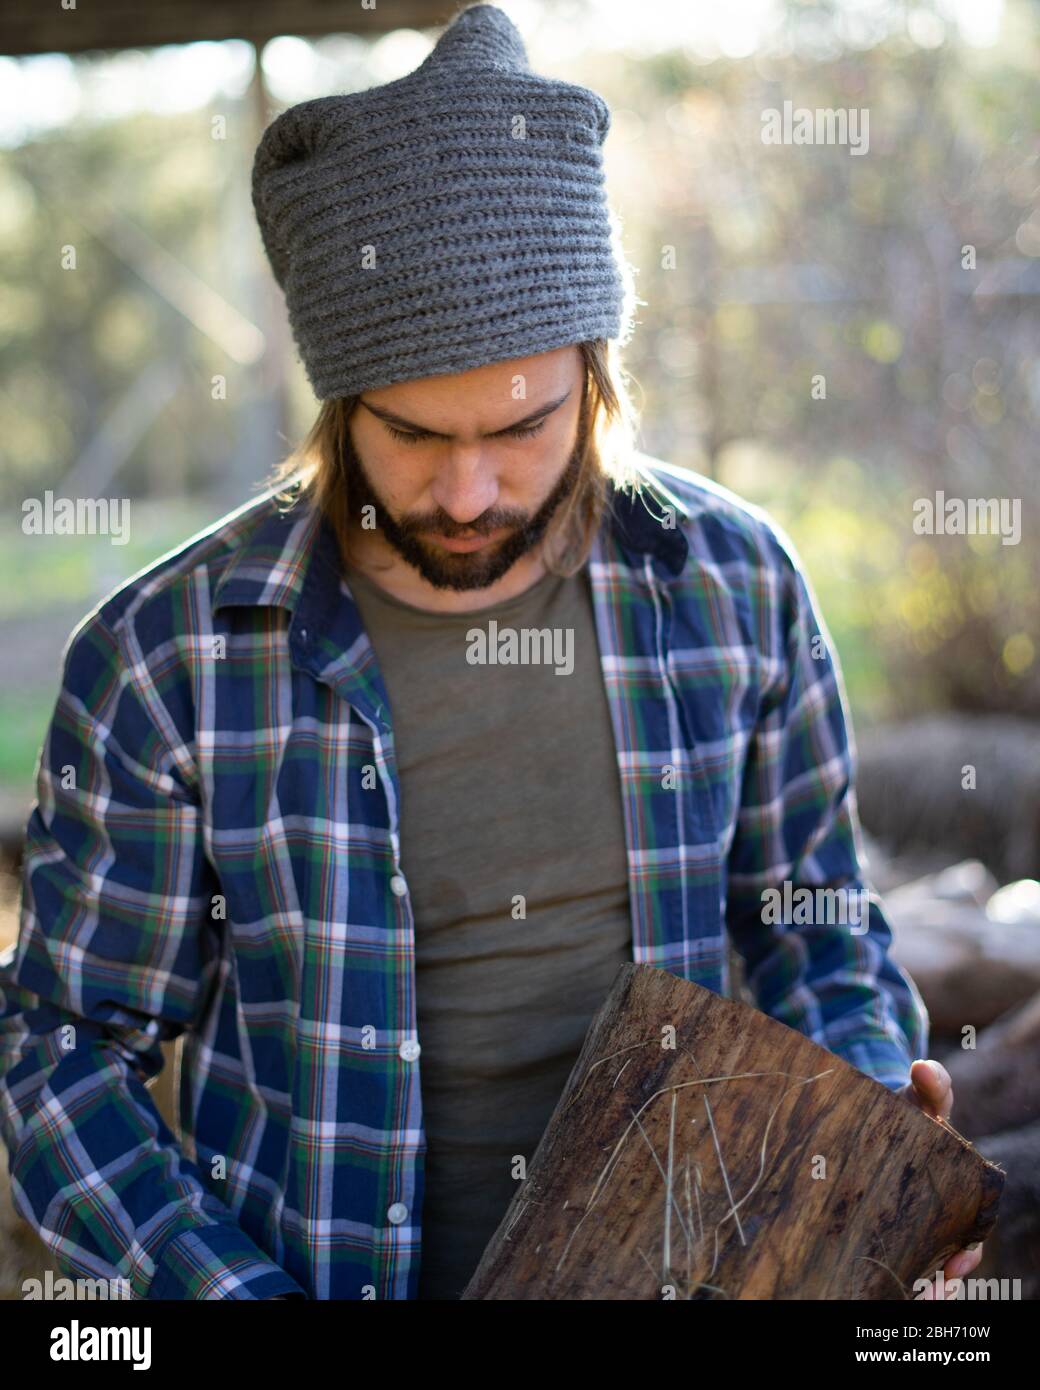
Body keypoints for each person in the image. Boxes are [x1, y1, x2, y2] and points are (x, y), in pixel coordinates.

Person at [0, 2, 979, 1301]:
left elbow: (816, 931)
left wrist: (860, 1116)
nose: (467, 490)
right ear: (340, 403)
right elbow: (64, 1050)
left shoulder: (736, 588)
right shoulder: (167, 661)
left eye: (519, 425)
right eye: (413, 434)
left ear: (594, 372)